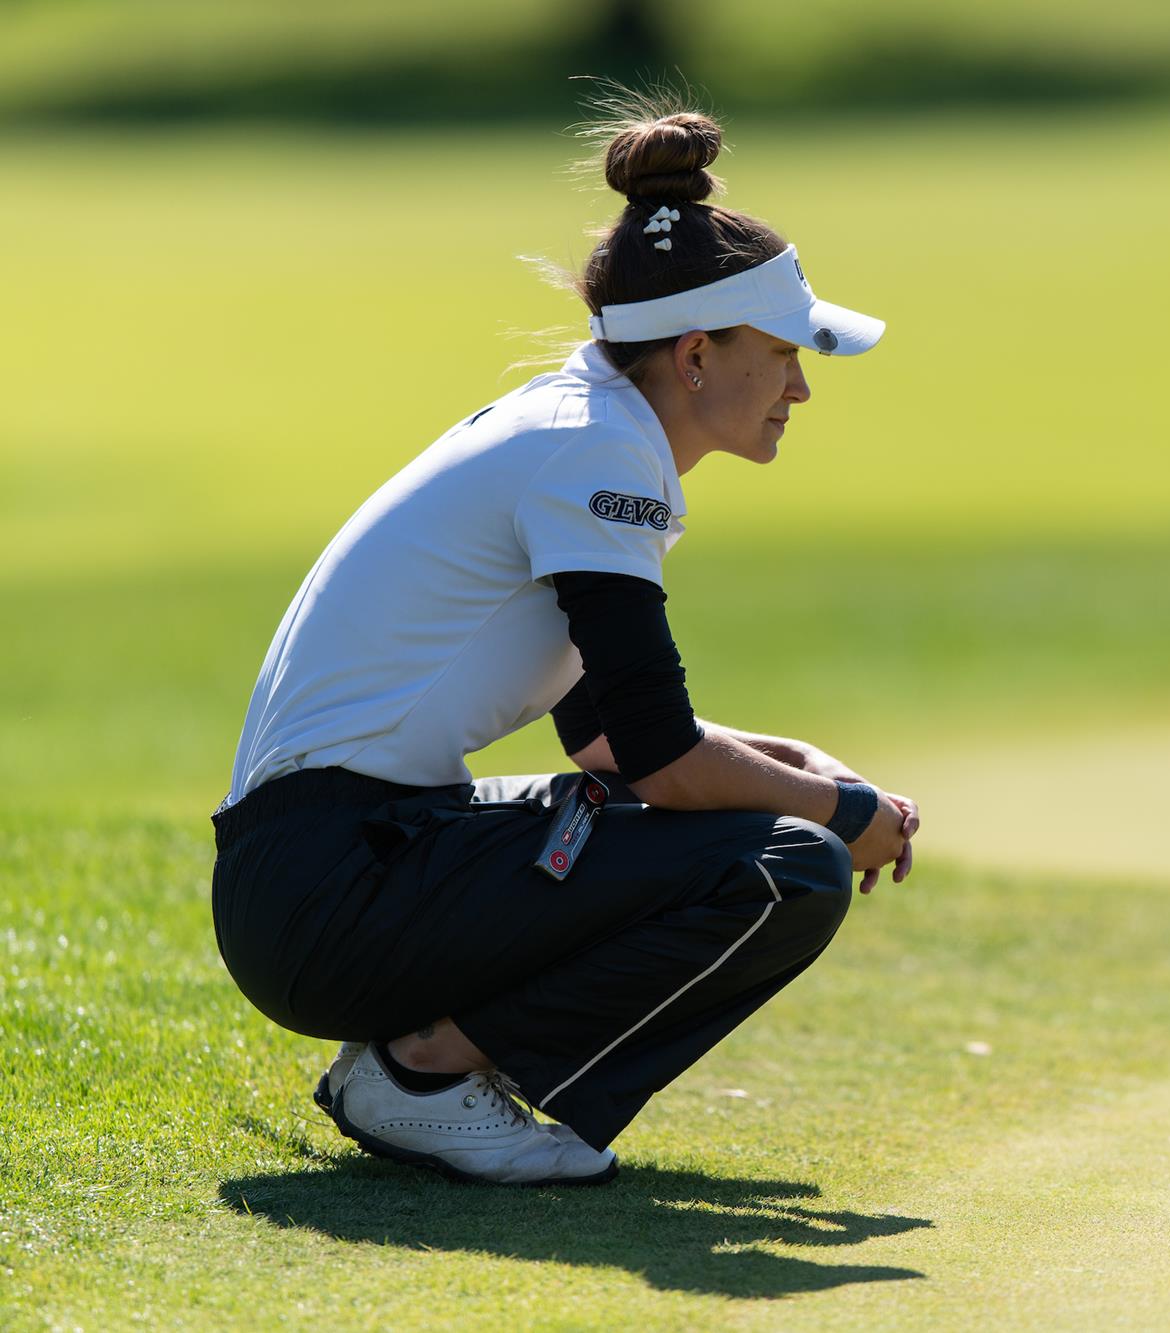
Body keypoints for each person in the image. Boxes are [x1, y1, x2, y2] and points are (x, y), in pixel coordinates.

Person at [208, 101, 919, 1187]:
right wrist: (846, 811)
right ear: (693, 354)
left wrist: (796, 764)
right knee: (790, 865)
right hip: (325, 892)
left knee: (761, 827)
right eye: (781, 352)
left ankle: (423, 1065)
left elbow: (604, 738)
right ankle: (424, 1074)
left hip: (332, 867)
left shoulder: (587, 427)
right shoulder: (596, 454)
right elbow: (660, 761)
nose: (800, 385)